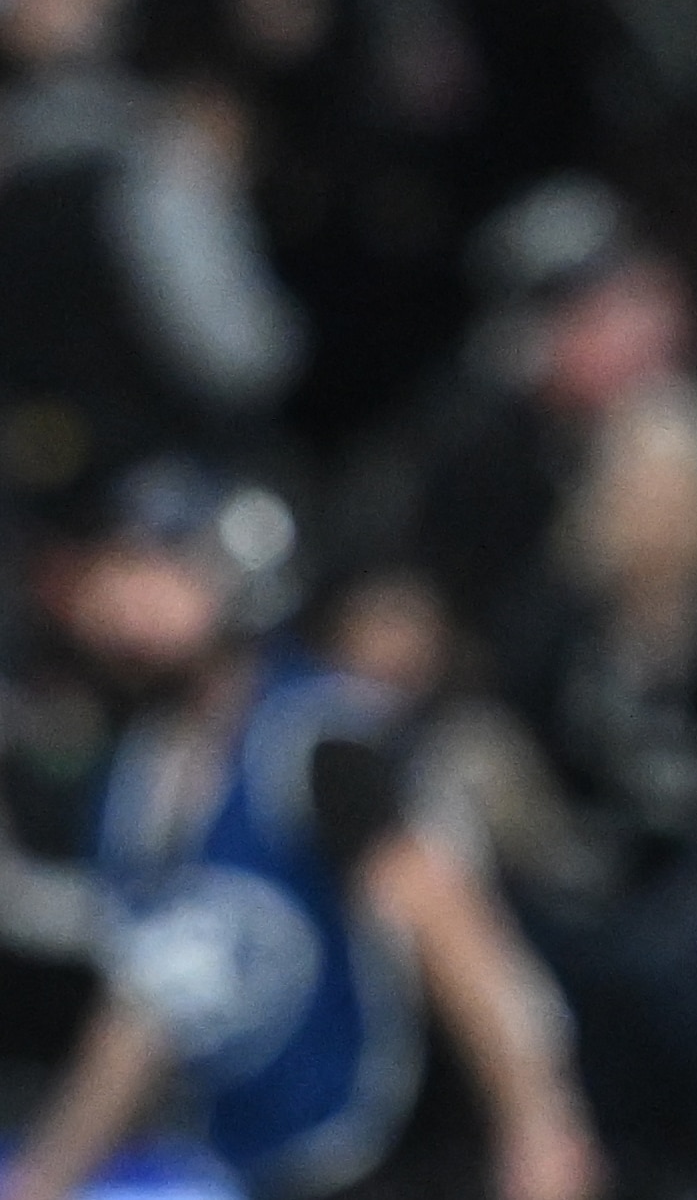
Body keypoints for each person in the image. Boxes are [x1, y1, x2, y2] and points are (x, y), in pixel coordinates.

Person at [2, 463, 604, 1200]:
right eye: (120, 566)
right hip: (246, 1170)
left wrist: (539, 1124)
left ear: (242, 573)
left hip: (380, 1161)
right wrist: (46, 1179)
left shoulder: (319, 740)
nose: (128, 598)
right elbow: (145, 1010)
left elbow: (453, 928)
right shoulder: (133, 778)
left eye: (160, 566)